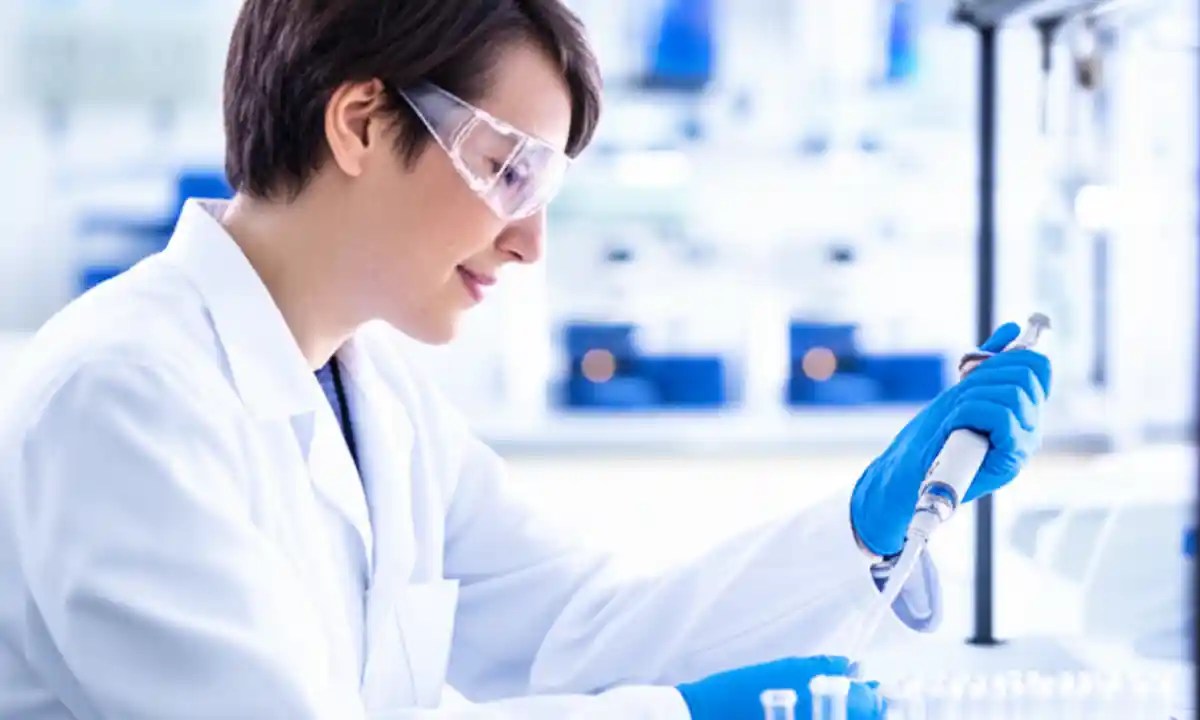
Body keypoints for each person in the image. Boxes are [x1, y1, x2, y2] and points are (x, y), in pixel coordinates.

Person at [0, 1, 1052, 718]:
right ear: (361, 122)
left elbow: (584, 631)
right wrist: (677, 718)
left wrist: (856, 531)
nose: (528, 242)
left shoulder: (376, 397)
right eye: (507, 173)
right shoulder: (125, 395)